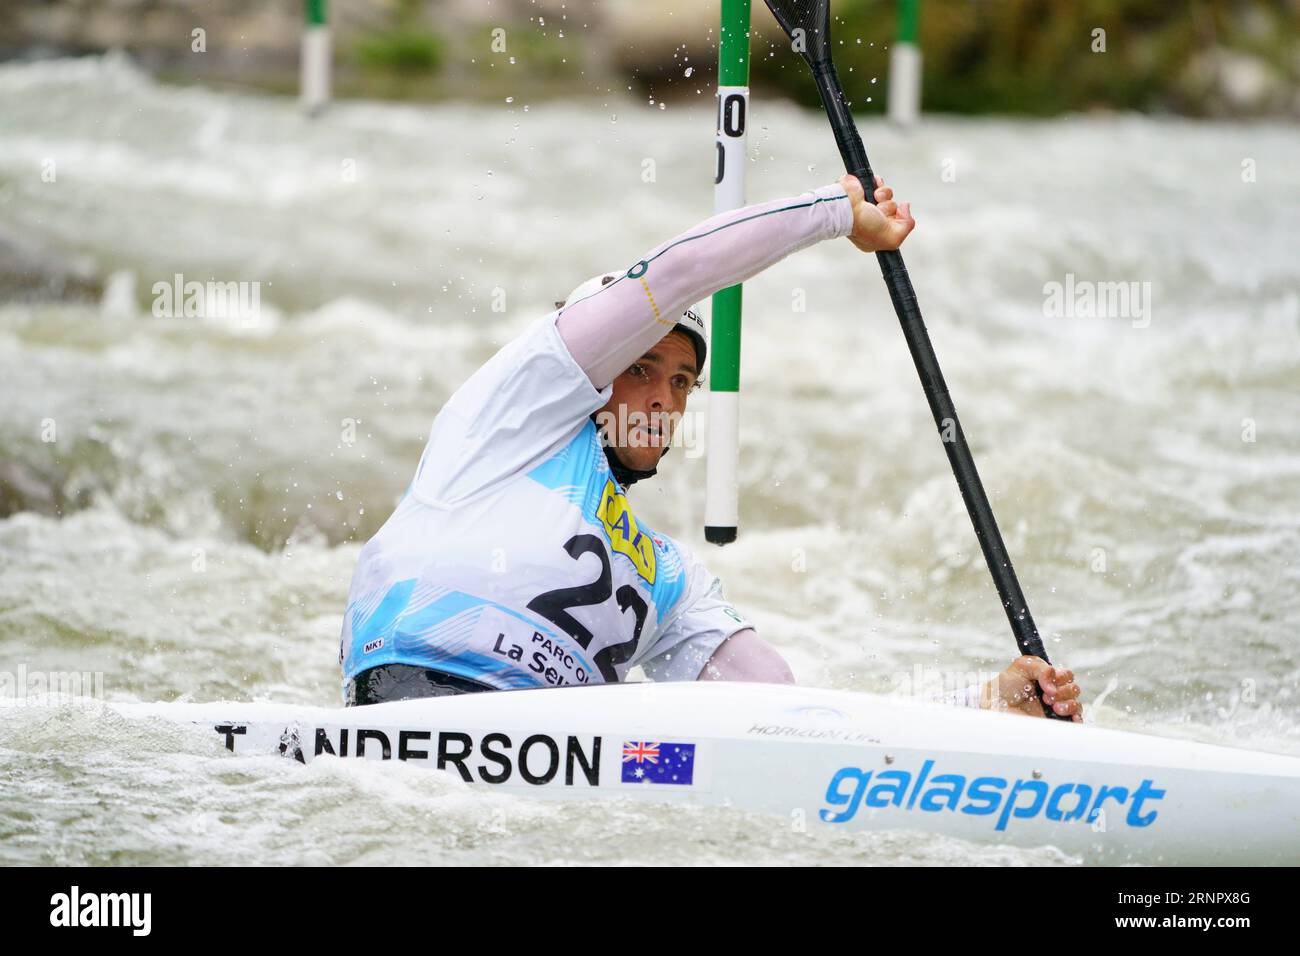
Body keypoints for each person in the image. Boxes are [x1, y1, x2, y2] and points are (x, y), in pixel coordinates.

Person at [339, 173, 1084, 722]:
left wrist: (988, 707)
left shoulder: (666, 577)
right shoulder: (512, 412)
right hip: (402, 706)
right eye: (638, 369)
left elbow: (789, 720)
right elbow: (677, 273)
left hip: (547, 757)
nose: (662, 399)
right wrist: (832, 213)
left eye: (683, 381)